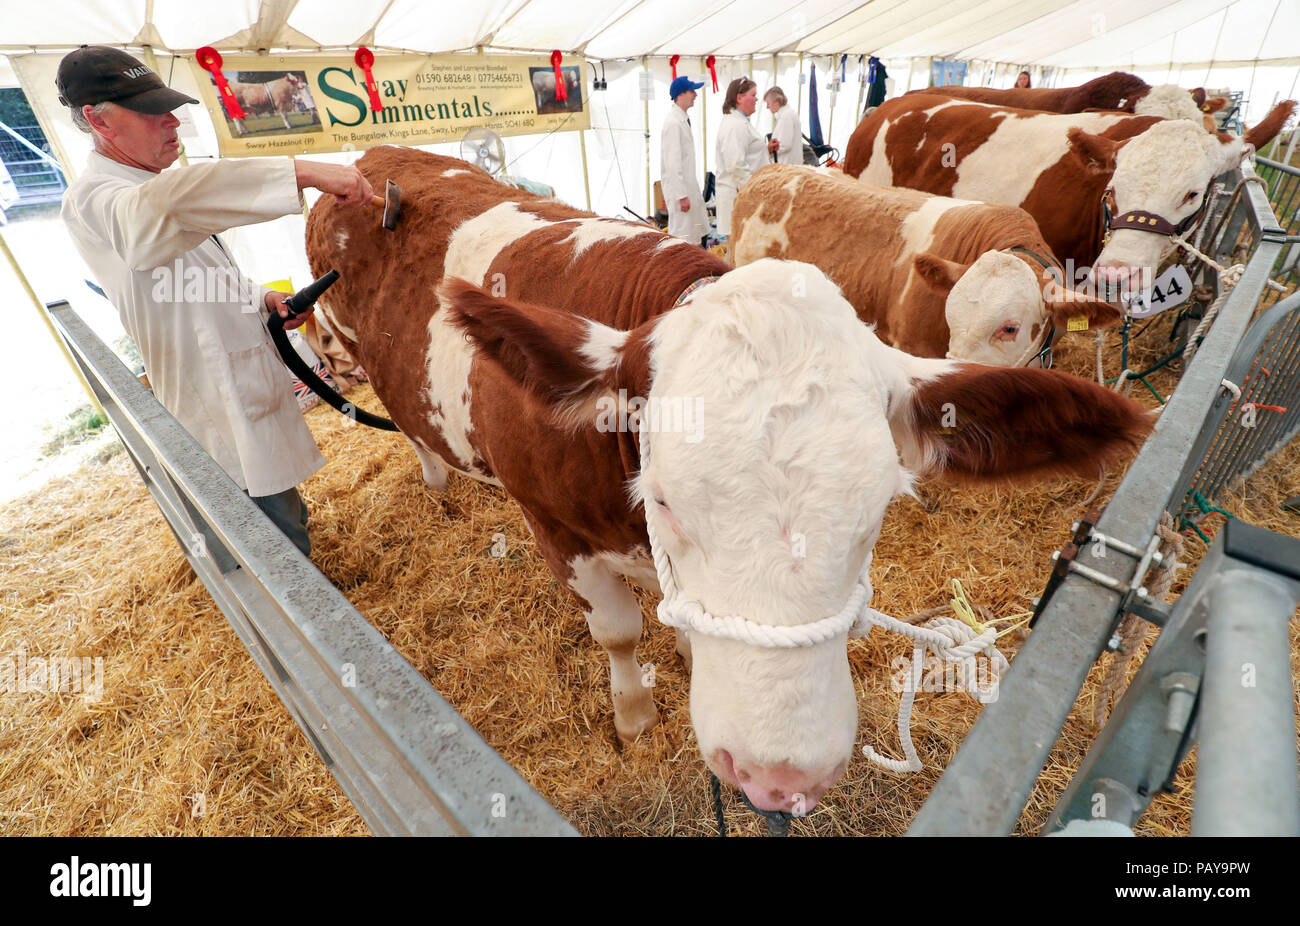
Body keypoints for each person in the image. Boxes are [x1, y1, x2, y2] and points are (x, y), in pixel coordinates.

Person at [57, 46, 373, 565]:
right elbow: (162, 211)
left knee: (282, 511)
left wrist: (263, 299)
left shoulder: (148, 184)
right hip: (211, 398)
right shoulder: (97, 197)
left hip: (240, 379)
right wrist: (303, 172)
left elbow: (198, 276)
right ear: (98, 120)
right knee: (265, 541)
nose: (172, 121)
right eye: (149, 112)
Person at [714, 77, 767, 239]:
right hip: (739, 199)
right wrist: (752, 194)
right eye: (753, 94)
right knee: (737, 254)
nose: (757, 99)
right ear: (739, 98)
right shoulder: (735, 125)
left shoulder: (739, 122)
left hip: (743, 197)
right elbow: (736, 165)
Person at [660, 75, 709, 245]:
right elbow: (672, 163)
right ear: (681, 94)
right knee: (682, 239)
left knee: (691, 235)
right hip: (681, 192)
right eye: (692, 91)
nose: (695, 95)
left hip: (687, 188)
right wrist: (681, 196)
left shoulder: (682, 119)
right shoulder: (673, 123)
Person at [764, 87, 801, 165]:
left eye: (768, 103)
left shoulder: (786, 116)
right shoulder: (787, 114)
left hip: (787, 165)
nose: (767, 107)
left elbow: (785, 145)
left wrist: (768, 150)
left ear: (776, 102)